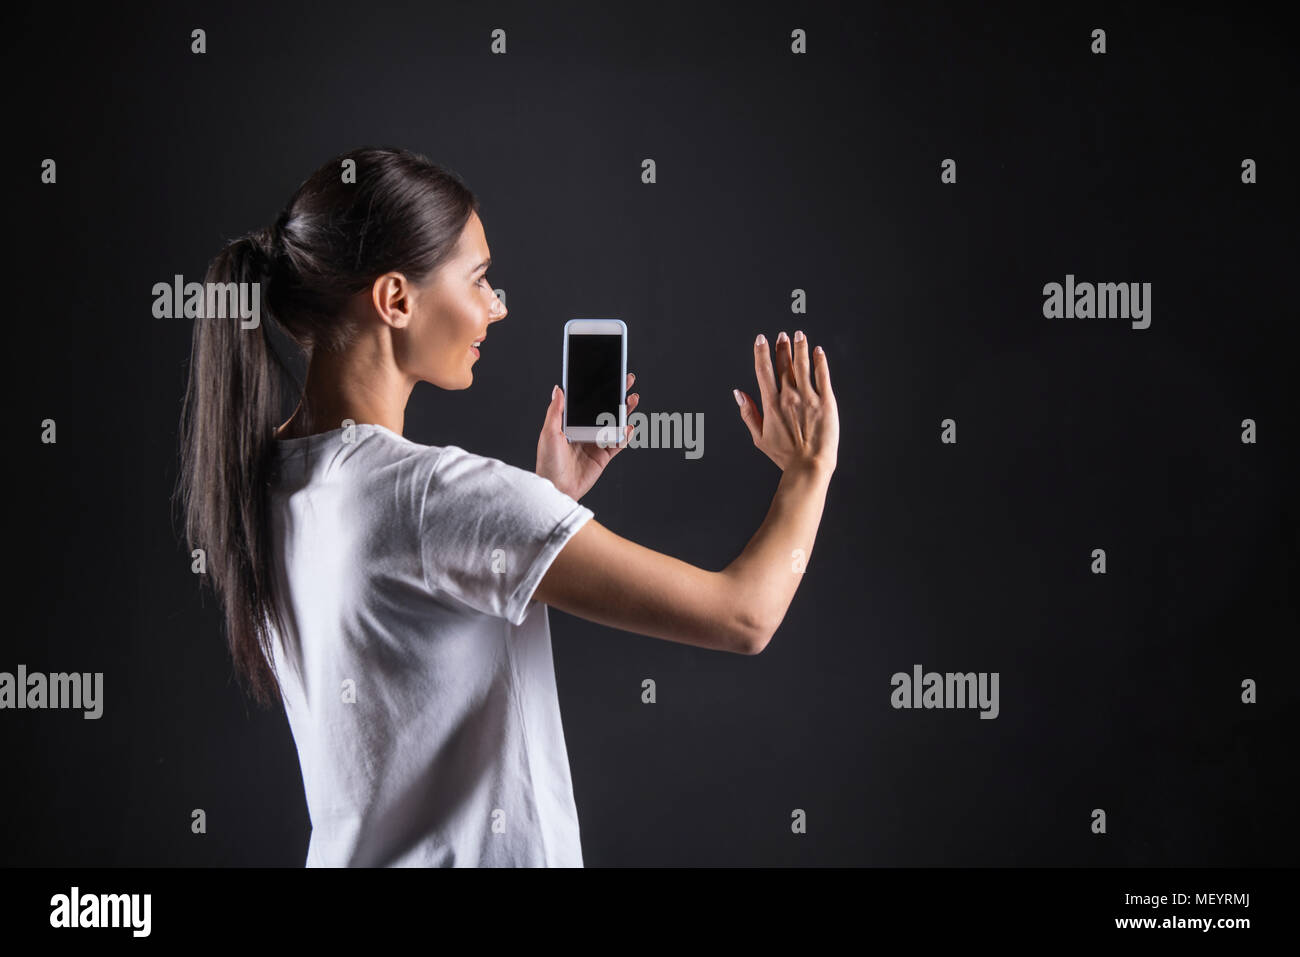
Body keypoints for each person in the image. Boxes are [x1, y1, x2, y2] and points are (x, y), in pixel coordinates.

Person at [175, 146, 839, 867]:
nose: (498, 305)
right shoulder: (435, 496)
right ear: (396, 299)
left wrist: (546, 501)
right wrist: (808, 468)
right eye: (480, 279)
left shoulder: (267, 479)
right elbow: (744, 615)